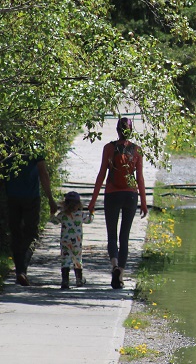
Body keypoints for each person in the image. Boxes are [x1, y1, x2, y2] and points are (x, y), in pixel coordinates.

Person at [88, 117, 148, 289]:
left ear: (117, 130)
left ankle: (114, 265)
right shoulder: (137, 150)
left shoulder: (108, 148)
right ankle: (120, 274)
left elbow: (101, 175)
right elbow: (140, 178)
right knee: (124, 237)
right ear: (131, 131)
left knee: (112, 236)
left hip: (112, 195)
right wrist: (143, 202)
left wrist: (92, 202)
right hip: (130, 195)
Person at [5, 151, 59, 287]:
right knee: (31, 234)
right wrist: (50, 199)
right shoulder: (35, 147)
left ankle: (20, 271)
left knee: (15, 233)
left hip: (12, 196)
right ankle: (22, 270)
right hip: (31, 197)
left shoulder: (8, 144)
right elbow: (43, 174)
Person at [53, 191, 93, 289]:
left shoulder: (62, 215)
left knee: (65, 259)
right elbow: (89, 220)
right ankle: (79, 279)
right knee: (77, 259)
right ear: (79, 204)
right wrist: (92, 213)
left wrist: (52, 213)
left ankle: (65, 280)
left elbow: (54, 221)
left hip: (65, 242)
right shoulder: (81, 215)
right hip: (77, 242)